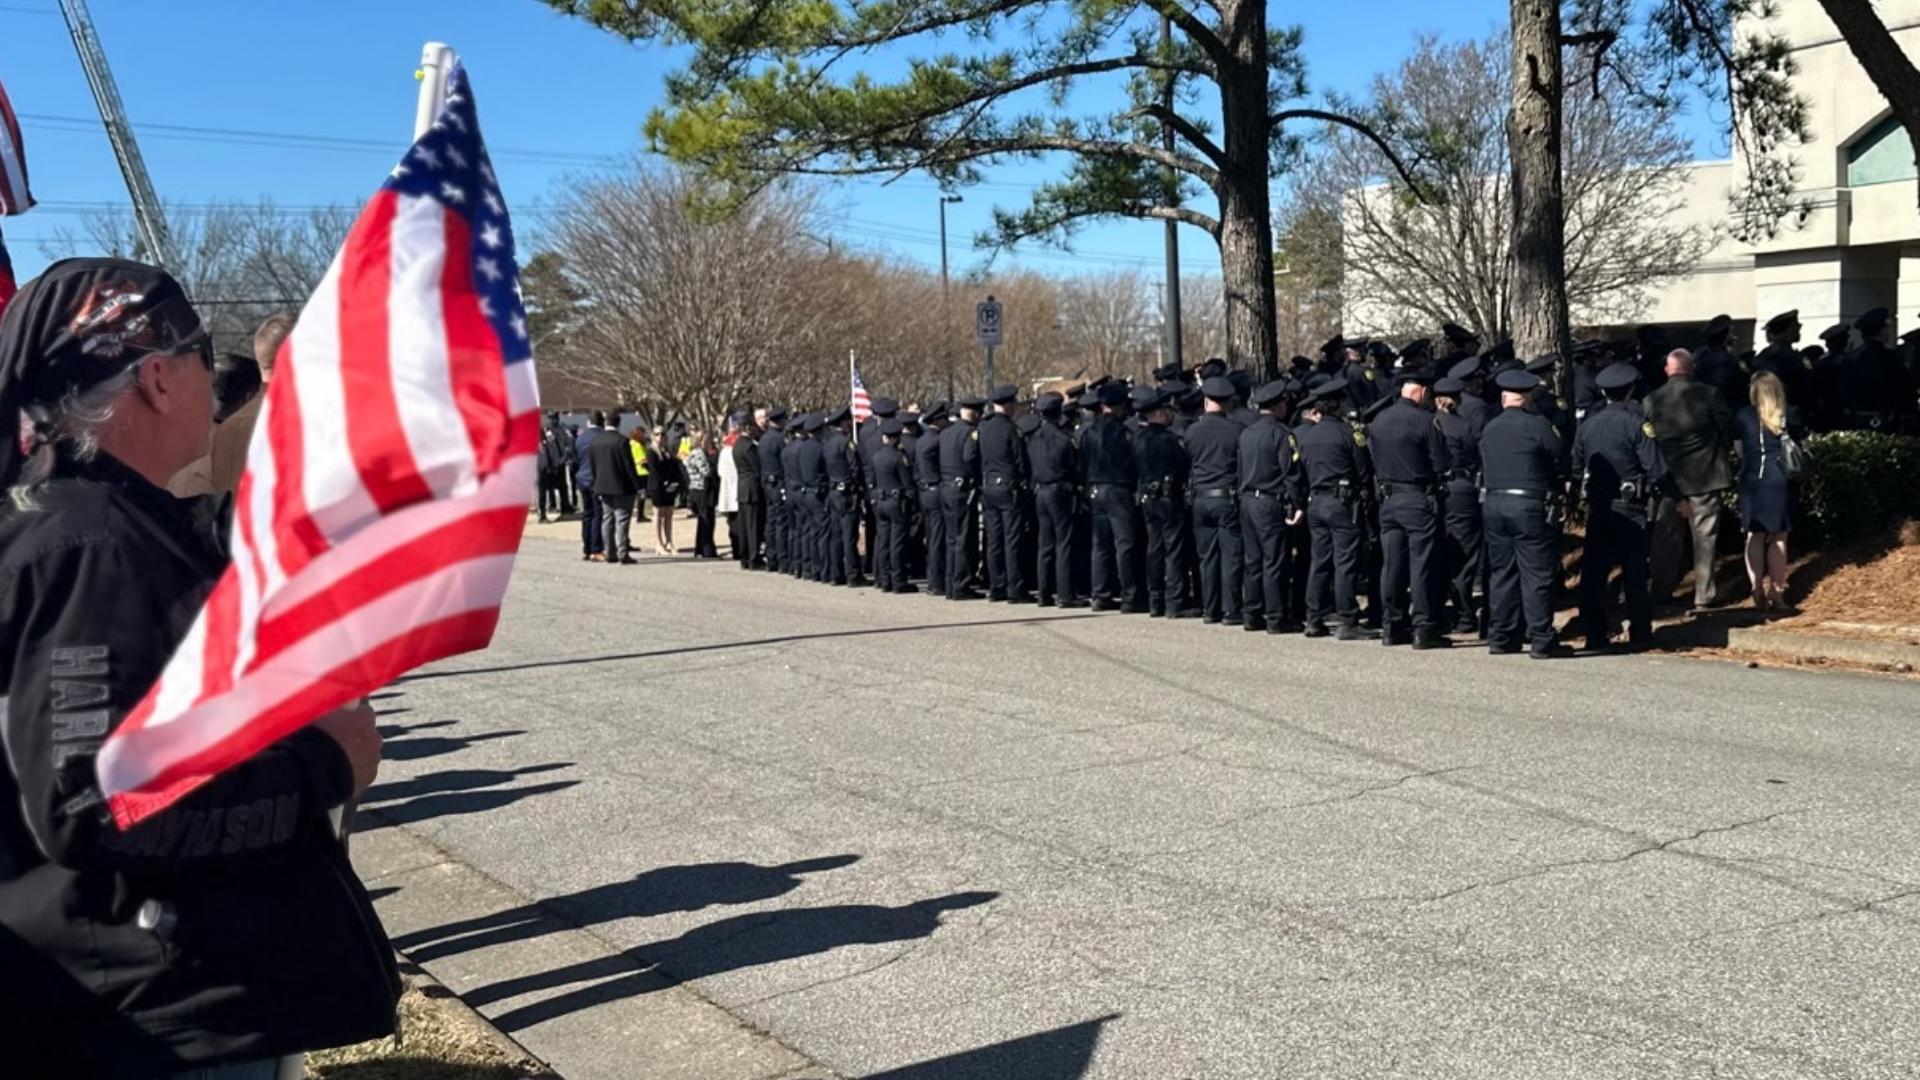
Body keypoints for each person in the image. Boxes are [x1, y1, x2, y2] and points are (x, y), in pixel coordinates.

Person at [0, 258, 398, 1078]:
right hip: (153, 1011)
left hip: (141, 992)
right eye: (198, 354)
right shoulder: (87, 546)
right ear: (155, 378)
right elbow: (96, 803)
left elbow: (194, 539)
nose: (215, 382)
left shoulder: (78, 517)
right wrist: (324, 765)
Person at [1571, 363, 1667, 651]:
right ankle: (1640, 631)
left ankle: (1594, 632)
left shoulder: (1588, 425)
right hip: (1630, 507)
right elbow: (1657, 469)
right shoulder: (1637, 425)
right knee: (1634, 571)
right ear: (1631, 391)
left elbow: (1575, 466)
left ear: (1602, 392)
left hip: (1599, 507)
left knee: (1594, 574)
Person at [1479, 369, 1572, 658]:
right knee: (1536, 573)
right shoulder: (1538, 426)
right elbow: (1559, 458)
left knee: (1502, 572)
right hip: (1529, 504)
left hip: (1494, 503)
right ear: (1528, 397)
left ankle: (1502, 635)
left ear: (1504, 397)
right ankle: (1541, 637)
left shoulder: (1490, 427)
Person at [1644, 347, 1736, 611]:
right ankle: (1704, 595)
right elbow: (1726, 428)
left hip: (1668, 480)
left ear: (1667, 370)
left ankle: (1660, 590)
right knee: (1705, 539)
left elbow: (1647, 439)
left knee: (1665, 539)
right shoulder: (1709, 394)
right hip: (1705, 475)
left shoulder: (1651, 400)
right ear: (1692, 368)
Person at [1368, 367, 1452, 648]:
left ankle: (1392, 625)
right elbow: (1441, 463)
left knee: (1391, 565)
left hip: (1389, 500)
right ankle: (1424, 627)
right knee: (1422, 565)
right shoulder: (1426, 421)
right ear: (1424, 392)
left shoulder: (1379, 420)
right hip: (1417, 499)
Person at [1297, 378, 1376, 640]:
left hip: (1316, 502)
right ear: (1339, 405)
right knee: (1345, 562)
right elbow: (1364, 472)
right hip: (1342, 503)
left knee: (1319, 561)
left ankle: (1314, 617)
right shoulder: (1349, 433)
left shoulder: (1307, 436)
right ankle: (1347, 619)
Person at [1238, 379, 1308, 634]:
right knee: (1274, 561)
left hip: (1247, 500)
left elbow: (1239, 470)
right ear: (1279, 406)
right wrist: (1298, 503)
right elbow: (1291, 472)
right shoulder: (1282, 434)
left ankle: (1252, 613)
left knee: (1253, 560)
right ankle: (1276, 617)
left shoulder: (1246, 433)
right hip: (1270, 501)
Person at [1131, 387, 1194, 618]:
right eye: (1166, 411)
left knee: (1154, 549)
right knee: (1173, 550)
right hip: (1168, 499)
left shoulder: (1138, 440)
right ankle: (1175, 602)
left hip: (1148, 498)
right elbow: (1184, 466)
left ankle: (1155, 599)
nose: (1170, 415)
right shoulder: (1168, 440)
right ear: (1157, 413)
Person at [1738, 371, 1797, 612]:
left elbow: (1739, 450)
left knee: (1755, 534)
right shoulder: (1788, 415)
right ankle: (1777, 591)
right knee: (1780, 536)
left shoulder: (1743, 416)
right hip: (1779, 478)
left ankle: (1756, 587)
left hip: (1753, 478)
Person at [1186, 376, 1243, 625]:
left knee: (1206, 556)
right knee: (1231, 555)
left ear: (1206, 400)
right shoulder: (1237, 431)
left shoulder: (1192, 431)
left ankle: (1210, 608)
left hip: (1200, 498)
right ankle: (1231, 609)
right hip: (1227, 497)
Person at [1082, 383, 1144, 612]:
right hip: (1118, 490)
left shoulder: (1089, 431)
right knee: (1124, 543)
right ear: (1119, 406)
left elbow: (1083, 463)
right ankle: (1129, 595)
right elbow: (1133, 463)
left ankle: (1100, 594)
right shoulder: (1124, 432)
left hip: (1096, 489)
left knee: (1100, 545)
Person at [1432, 377, 1484, 634]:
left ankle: (1437, 610)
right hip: (1461, 491)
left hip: (1434, 492)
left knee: (1437, 552)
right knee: (1464, 555)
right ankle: (1464, 613)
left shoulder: (1430, 424)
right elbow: (1476, 457)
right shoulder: (1464, 426)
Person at [1024, 392, 1082, 608]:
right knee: (1063, 543)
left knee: (1045, 544)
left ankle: (1044, 593)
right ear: (1058, 413)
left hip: (1041, 492)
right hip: (1060, 491)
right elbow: (1073, 467)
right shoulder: (1064, 439)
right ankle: (1066, 594)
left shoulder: (1033, 438)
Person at [978, 384, 1031, 603]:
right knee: (1011, 540)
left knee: (994, 540)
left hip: (989, 487)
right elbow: (1021, 461)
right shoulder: (1011, 429)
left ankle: (996, 586)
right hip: (1008, 488)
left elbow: (973, 456)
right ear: (1008, 405)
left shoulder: (983, 427)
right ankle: (1014, 589)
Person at [939, 395, 987, 600]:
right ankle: (961, 584)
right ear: (975, 413)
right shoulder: (971, 433)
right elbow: (970, 458)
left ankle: (951, 582)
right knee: (962, 538)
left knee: (951, 538)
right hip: (962, 490)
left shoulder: (946, 433)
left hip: (946, 487)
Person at [870, 418, 917, 593]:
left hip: (881, 501)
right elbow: (907, 483)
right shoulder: (899, 458)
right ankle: (898, 581)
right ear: (896, 438)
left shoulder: (876, 457)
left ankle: (884, 580)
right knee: (896, 543)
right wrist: (912, 503)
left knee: (883, 541)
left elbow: (872, 482)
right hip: (896, 503)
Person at [821, 408, 864, 586]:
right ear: (844, 422)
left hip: (834, 493)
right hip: (847, 494)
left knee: (836, 536)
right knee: (849, 536)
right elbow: (855, 468)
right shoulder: (847, 443)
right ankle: (853, 575)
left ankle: (835, 573)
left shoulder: (828, 444)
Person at [591, 422, 642, 564]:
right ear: (619, 423)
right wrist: (637, 485)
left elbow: (593, 465)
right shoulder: (622, 441)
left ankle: (610, 552)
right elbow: (628, 465)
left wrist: (597, 483)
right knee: (622, 520)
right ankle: (622, 552)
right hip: (622, 486)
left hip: (603, 486)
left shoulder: (596, 441)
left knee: (607, 520)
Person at [915, 402, 952, 596]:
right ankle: (938, 581)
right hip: (936, 490)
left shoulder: (922, 440)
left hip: (925, 491)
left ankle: (933, 578)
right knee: (938, 538)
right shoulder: (937, 441)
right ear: (938, 420)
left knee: (931, 537)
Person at [758, 408, 790, 573]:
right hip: (778, 483)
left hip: (767, 483)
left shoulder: (763, 439)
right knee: (781, 522)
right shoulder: (779, 440)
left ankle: (771, 557)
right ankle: (782, 559)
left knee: (771, 521)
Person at [732, 413, 764, 568]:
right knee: (753, 526)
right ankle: (753, 557)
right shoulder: (749, 446)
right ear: (747, 428)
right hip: (752, 487)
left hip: (742, 487)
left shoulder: (737, 445)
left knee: (744, 525)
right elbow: (757, 468)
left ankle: (744, 556)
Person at [574, 411, 606, 562]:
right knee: (597, 514)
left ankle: (586, 549)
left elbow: (575, 459)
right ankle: (596, 549)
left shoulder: (580, 438)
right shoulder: (601, 437)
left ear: (588, 422)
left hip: (582, 478)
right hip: (595, 479)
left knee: (587, 514)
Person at [647, 427, 684, 555]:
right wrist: (664, 482)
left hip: (670, 486)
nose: (660, 437)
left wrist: (674, 482)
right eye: (657, 434)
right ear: (653, 436)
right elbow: (654, 470)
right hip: (657, 486)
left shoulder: (668, 451)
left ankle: (669, 541)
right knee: (658, 513)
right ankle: (659, 543)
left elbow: (674, 466)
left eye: (663, 434)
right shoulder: (651, 451)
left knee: (669, 512)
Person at [685, 426, 720, 558]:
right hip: (701, 489)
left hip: (698, 489)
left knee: (703, 519)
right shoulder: (698, 453)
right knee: (707, 519)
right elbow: (707, 472)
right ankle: (707, 549)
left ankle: (700, 548)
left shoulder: (698, 452)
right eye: (707, 439)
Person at [536, 410, 573, 523]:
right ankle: (542, 514)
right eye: (551, 417)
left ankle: (565, 507)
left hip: (556, 464)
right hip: (545, 468)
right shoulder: (546, 432)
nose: (553, 419)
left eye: (554, 417)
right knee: (543, 491)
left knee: (562, 486)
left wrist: (563, 458)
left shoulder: (561, 429)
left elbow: (564, 443)